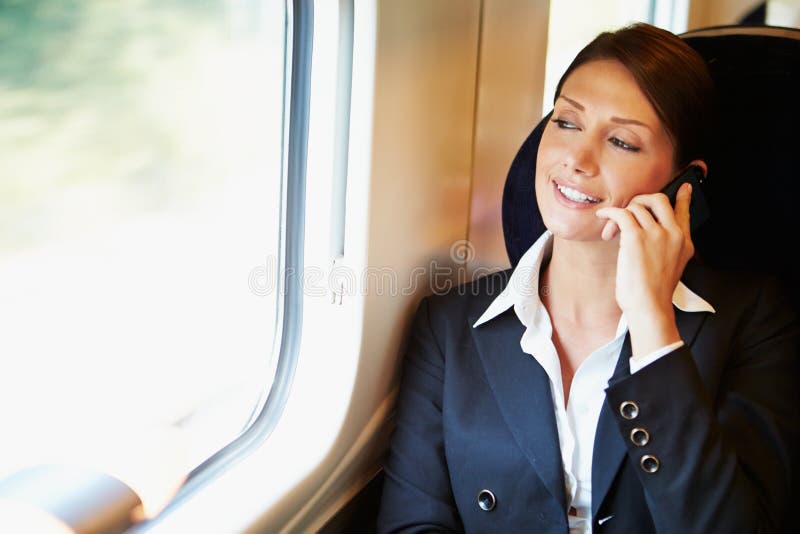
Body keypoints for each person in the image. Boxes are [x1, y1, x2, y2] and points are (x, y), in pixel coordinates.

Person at [376, 22, 799, 533]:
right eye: (567, 123)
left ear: (684, 184)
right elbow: (413, 524)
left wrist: (652, 325)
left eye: (621, 141)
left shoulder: (753, 320)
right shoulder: (448, 323)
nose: (576, 160)